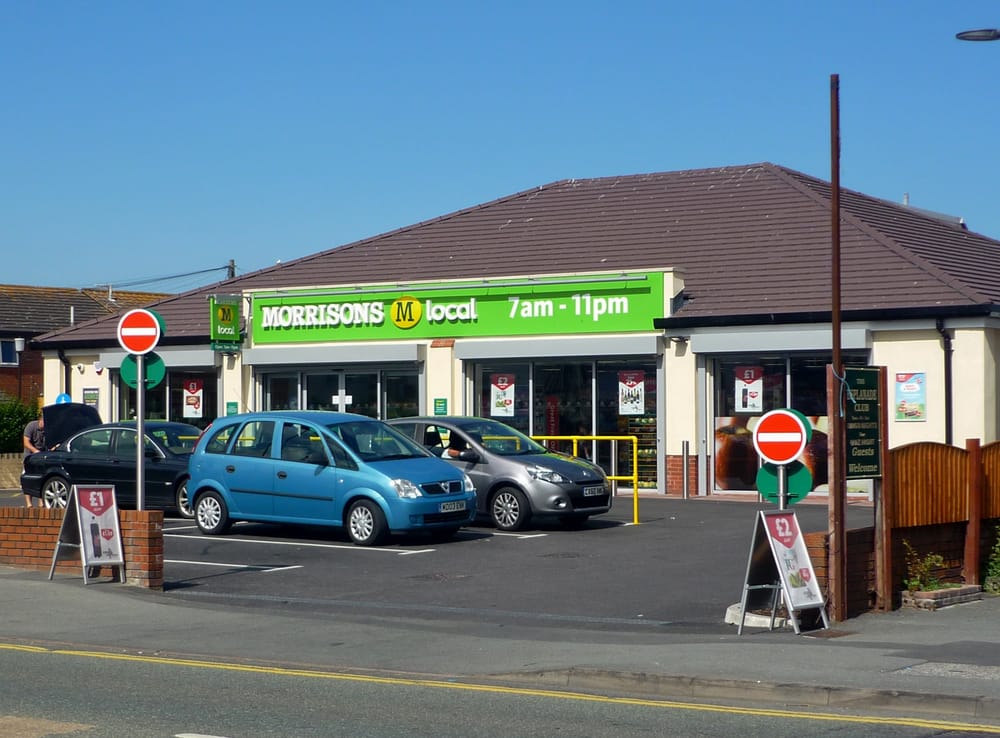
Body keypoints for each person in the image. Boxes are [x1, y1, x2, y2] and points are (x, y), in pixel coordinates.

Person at [22, 412, 45, 508]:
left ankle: (41, 503)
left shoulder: (48, 430)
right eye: (45, 422)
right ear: (41, 420)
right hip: (30, 456)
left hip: (42, 457)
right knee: (28, 478)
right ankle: (29, 504)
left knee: (42, 478)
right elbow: (26, 442)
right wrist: (35, 451)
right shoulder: (31, 426)